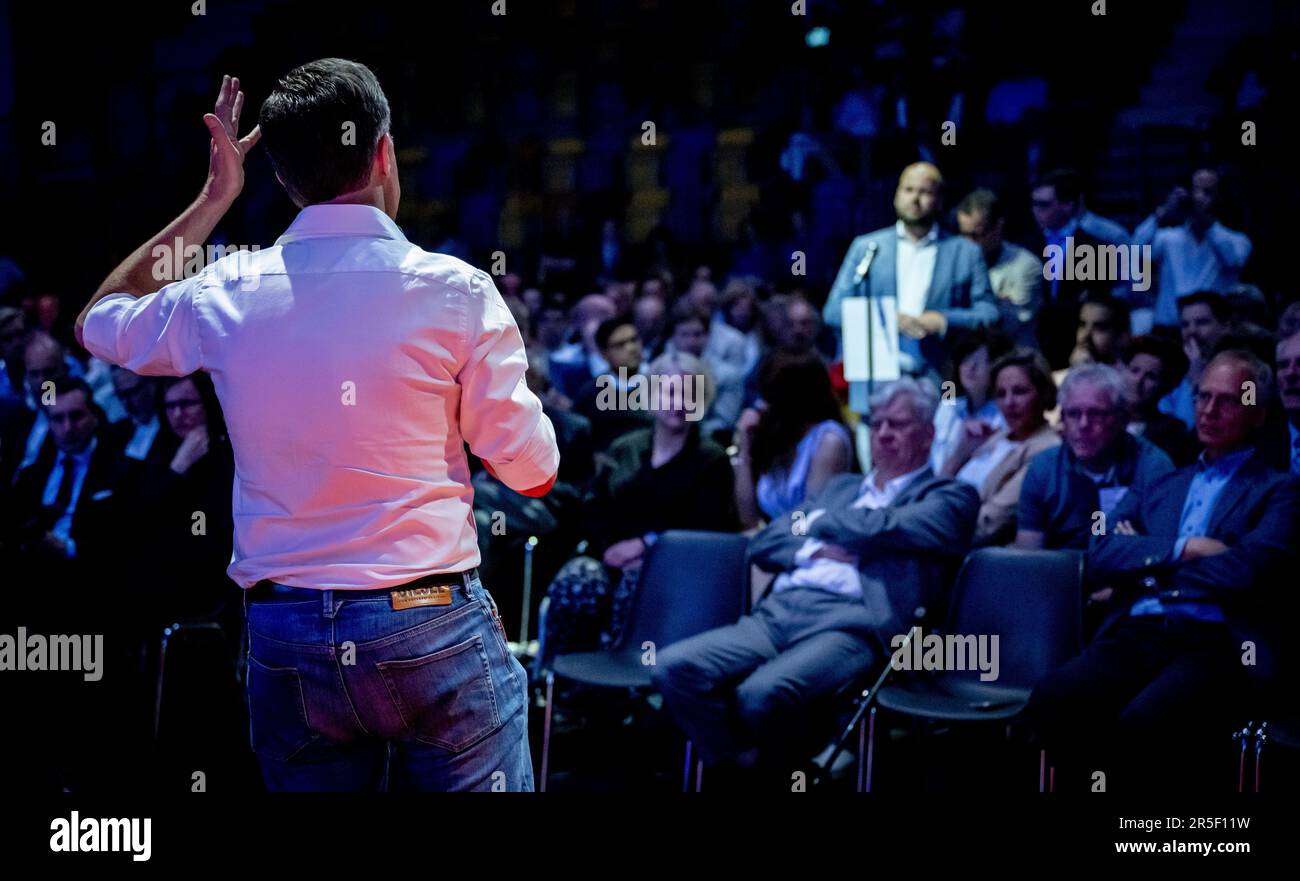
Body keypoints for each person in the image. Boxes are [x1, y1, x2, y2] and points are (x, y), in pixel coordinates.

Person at [76, 62, 557, 792]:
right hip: (426, 623)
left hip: (287, 635)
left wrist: (213, 198)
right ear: (384, 153)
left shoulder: (225, 289)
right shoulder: (458, 291)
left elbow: (100, 321)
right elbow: (534, 473)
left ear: (280, 179)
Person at [652, 378, 979, 774]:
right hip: (777, 614)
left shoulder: (948, 496)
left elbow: (888, 526)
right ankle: (746, 761)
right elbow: (768, 541)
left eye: (898, 424)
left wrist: (819, 524)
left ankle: (796, 772)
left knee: (762, 693)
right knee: (673, 666)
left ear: (928, 434)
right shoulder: (841, 487)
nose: (884, 435)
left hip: (852, 625)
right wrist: (815, 546)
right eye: (876, 425)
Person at [1027, 350, 1300, 791]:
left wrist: (1148, 565)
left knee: (1145, 723)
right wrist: (1186, 549)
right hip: (1142, 630)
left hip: (1218, 640)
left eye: (1228, 401)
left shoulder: (1280, 489)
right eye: (1202, 397)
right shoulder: (1162, 483)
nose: (1210, 411)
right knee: (1053, 699)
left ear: (1258, 413)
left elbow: (1250, 570)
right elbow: (1101, 554)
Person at [538, 350, 737, 667]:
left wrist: (646, 546)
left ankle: (620, 692)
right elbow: (596, 506)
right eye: (671, 392)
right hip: (612, 556)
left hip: (673, 567)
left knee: (635, 588)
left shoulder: (712, 459)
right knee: (575, 582)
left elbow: (704, 525)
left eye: (690, 394)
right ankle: (561, 685)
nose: (679, 402)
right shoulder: (626, 448)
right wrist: (611, 548)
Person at [823, 162, 997, 414]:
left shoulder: (965, 252)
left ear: (939, 200)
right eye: (908, 190)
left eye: (925, 192)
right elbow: (832, 312)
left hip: (939, 378)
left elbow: (989, 315)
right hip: (876, 378)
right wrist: (886, 319)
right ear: (896, 196)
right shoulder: (867, 247)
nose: (915, 199)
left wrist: (942, 320)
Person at [1015, 364, 1174, 551]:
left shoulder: (1153, 468)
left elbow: (1161, 550)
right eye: (1073, 414)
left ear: (1122, 419)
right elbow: (1029, 556)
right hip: (1059, 574)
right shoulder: (1043, 468)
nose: (1083, 425)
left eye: (1096, 414)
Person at [940, 348, 1061, 545]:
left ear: (1043, 393)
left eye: (1020, 392)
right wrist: (959, 455)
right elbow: (932, 492)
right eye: (1001, 394)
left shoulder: (1047, 449)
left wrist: (930, 528)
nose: (1009, 402)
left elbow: (991, 522)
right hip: (944, 527)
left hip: (974, 549)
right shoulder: (993, 436)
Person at [732, 351, 853, 529]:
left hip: (805, 547)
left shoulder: (829, 441)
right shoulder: (777, 437)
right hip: (775, 544)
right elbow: (748, 519)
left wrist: (771, 539)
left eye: (769, 397)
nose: (761, 406)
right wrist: (744, 446)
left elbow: (807, 520)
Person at [1134, 169, 1253, 330]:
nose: (1199, 198)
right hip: (1168, 327)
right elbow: (1134, 250)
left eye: (1207, 192)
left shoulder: (1237, 240)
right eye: (1194, 191)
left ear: (1220, 197)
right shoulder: (1168, 238)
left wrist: (1205, 221)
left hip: (1212, 329)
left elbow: (1232, 260)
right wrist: (1163, 211)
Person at [955, 188, 1043, 347]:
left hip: (1014, 358)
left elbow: (1010, 326)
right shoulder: (956, 261)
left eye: (976, 235)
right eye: (964, 234)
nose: (968, 243)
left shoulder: (1027, 266)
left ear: (998, 227)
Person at [929, 327, 1012, 473]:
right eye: (966, 359)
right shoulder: (948, 406)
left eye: (982, 361)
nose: (971, 367)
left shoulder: (1006, 413)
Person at [572, 314, 653, 453]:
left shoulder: (663, 384)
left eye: (634, 340)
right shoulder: (590, 394)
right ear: (604, 354)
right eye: (620, 345)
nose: (631, 348)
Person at [1160, 291, 1231, 429]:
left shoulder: (1245, 370)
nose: (1191, 331)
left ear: (1225, 327)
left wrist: (1197, 382)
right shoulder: (1170, 372)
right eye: (1185, 324)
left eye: (1202, 322)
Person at [1122, 335, 1197, 465]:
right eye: (1134, 371)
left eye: (1150, 376)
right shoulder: (1100, 418)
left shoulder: (1173, 434)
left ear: (1167, 387)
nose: (1138, 381)